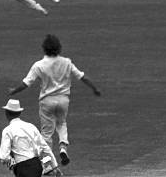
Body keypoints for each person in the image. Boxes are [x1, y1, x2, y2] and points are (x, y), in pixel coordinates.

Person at [8, 35, 101, 168]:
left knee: (46, 133)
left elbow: (26, 83)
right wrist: (95, 88)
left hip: (46, 101)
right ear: (59, 48)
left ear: (44, 49)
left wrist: (14, 91)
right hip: (63, 99)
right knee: (62, 123)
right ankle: (63, 147)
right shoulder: (67, 62)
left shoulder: (39, 65)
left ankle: (47, 163)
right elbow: (82, 77)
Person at [0, 99, 61, 177]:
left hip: (23, 167)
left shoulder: (7, 130)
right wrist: (54, 166)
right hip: (37, 165)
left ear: (6, 113)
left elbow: (3, 156)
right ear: (19, 113)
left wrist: (11, 163)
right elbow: (45, 148)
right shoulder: (31, 127)